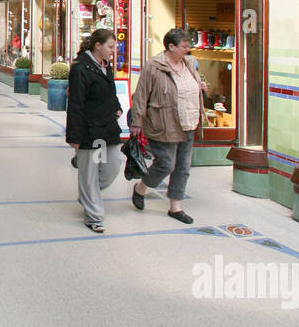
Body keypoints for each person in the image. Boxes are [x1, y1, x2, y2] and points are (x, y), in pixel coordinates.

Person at [129, 27, 206, 224]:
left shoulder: (189, 64)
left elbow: (193, 85)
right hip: (163, 122)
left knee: (183, 166)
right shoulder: (154, 66)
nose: (187, 50)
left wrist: (200, 87)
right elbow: (141, 95)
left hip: (188, 122)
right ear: (171, 46)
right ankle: (141, 188)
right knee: (166, 164)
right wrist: (137, 121)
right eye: (184, 46)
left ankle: (175, 207)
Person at [65, 29, 124, 233]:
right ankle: (94, 216)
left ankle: (87, 195)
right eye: (111, 47)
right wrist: (74, 136)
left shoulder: (105, 67)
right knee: (89, 174)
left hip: (107, 127)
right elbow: (75, 103)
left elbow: (110, 91)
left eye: (114, 47)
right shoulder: (81, 68)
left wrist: (116, 106)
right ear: (97, 46)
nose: (114, 51)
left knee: (112, 167)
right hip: (89, 130)